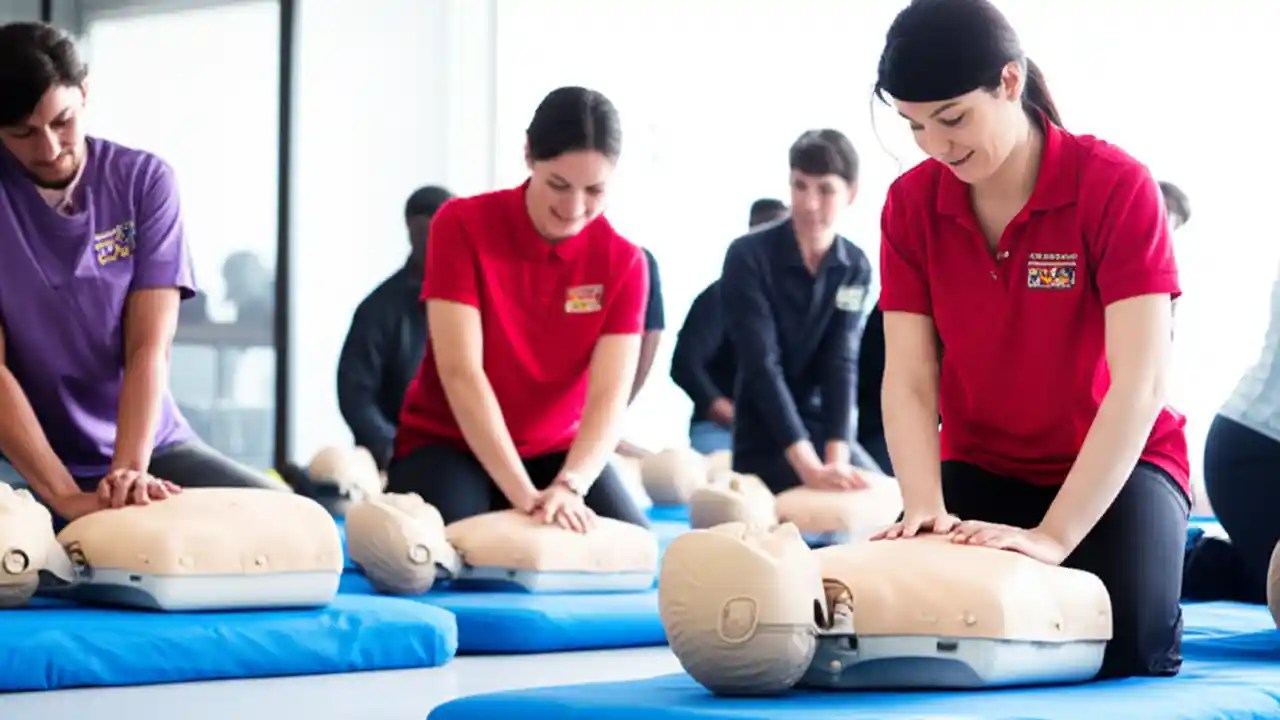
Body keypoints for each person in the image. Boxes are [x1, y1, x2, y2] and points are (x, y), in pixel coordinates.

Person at [868, 0, 1189, 680]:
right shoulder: (909, 206)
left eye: (952, 118)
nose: (934, 145)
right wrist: (925, 506)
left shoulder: (1115, 186)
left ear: (1009, 82)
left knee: (1127, 643)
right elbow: (909, 377)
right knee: (906, 626)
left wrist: (1053, 537)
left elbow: (1141, 384)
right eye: (913, 124)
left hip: (1117, 466)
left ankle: (1192, 559)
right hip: (983, 465)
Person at [0, 22, 283, 522]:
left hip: (144, 445)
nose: (47, 148)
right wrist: (63, 496)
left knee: (282, 520)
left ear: (84, 94)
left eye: (62, 121)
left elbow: (148, 346)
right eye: (22, 134)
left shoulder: (143, 182)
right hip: (20, 456)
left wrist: (129, 476)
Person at [388, 86, 650, 533]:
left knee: (628, 551)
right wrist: (524, 497)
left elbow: (609, 396)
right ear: (529, 155)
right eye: (559, 185)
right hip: (449, 444)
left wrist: (572, 485)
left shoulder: (624, 263)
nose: (574, 209)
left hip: (556, 453)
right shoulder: (460, 226)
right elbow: (461, 373)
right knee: (465, 549)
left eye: (594, 190)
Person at [721, 130, 878, 494]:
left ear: (851, 194)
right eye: (800, 186)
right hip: (763, 434)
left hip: (823, 427)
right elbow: (761, 364)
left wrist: (836, 459)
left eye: (825, 190)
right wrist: (808, 466)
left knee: (883, 500)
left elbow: (841, 361)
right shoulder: (747, 256)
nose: (809, 203)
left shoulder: (855, 265)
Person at [1183, 260, 1280, 605]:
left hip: (1253, 445)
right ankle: (1188, 565)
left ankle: (1215, 565)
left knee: (1260, 580)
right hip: (1256, 455)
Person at [337, 185, 453, 470]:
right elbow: (356, 394)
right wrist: (391, 447)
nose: (431, 243)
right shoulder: (378, 310)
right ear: (410, 232)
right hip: (398, 455)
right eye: (423, 233)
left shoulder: (482, 300)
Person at [670, 198, 789, 453]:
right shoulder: (719, 296)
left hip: (783, 435)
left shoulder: (792, 304)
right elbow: (685, 364)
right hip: (720, 431)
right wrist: (719, 407)